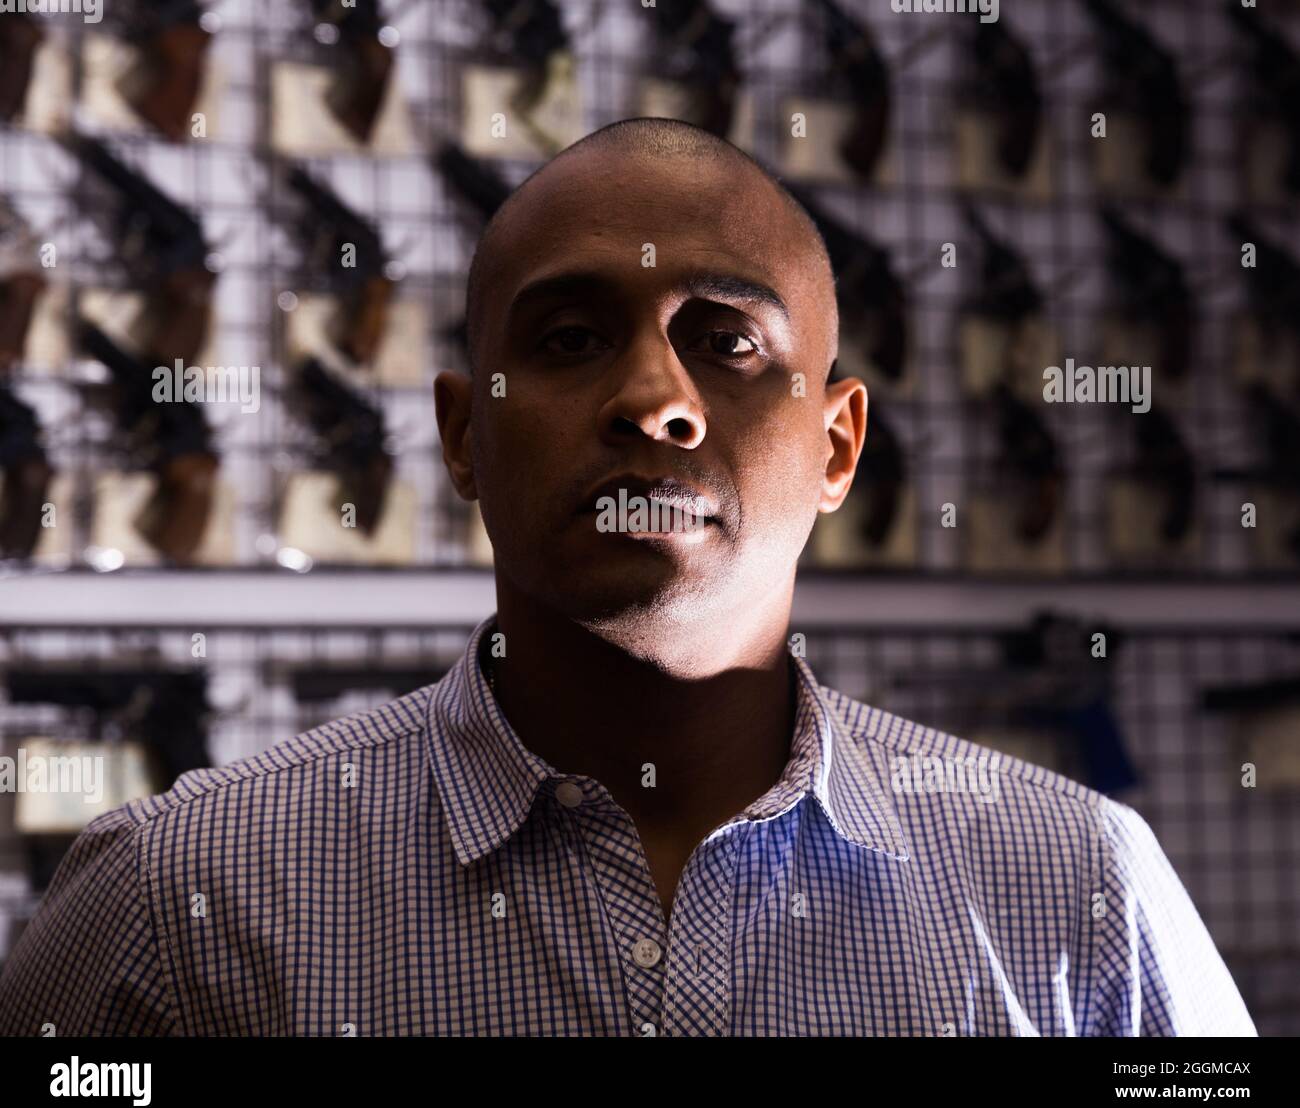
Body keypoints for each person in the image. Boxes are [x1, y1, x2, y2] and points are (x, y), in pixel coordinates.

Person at [0, 118, 1255, 1036]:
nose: (655, 400)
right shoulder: (170, 900)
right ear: (461, 438)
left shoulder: (1083, 891)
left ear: (836, 447)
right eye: (567, 339)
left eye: (726, 342)